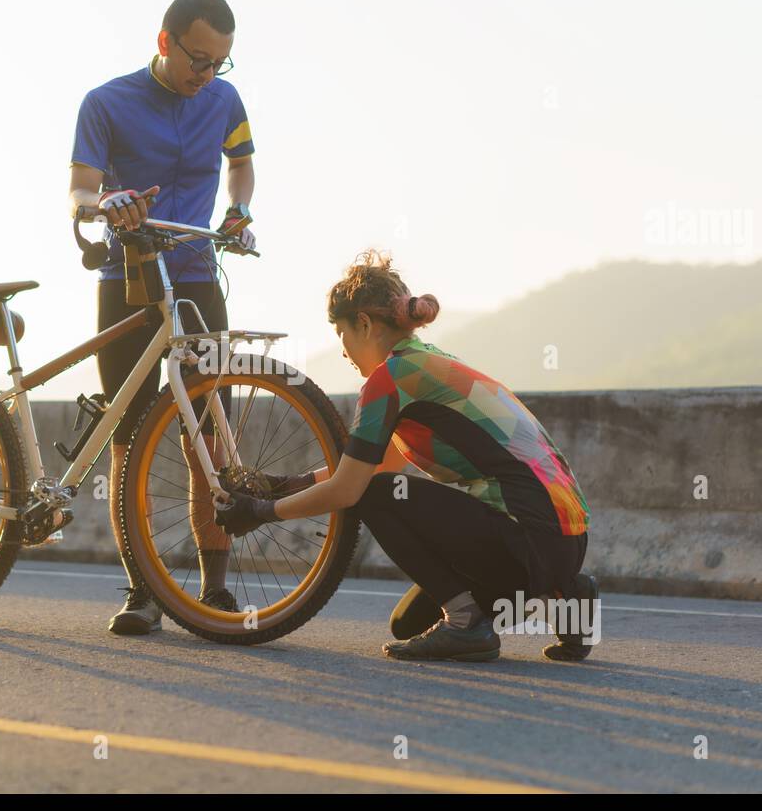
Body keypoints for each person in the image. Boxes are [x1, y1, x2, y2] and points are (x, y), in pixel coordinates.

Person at [215, 250, 598, 662]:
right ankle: (567, 595)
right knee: (408, 623)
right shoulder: (430, 364)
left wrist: (262, 511)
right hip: (565, 541)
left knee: (375, 495)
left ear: (363, 323)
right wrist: (285, 485)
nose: (343, 351)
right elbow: (379, 467)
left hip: (525, 536)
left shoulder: (391, 378)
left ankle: (467, 622)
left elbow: (351, 489)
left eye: (341, 333)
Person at [68, 0, 257, 635]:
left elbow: (242, 166)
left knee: (210, 432)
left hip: (198, 278)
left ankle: (216, 587)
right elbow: (79, 191)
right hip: (129, 280)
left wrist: (239, 210)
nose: (205, 76)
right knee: (129, 438)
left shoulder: (224, 100)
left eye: (219, 64)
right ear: (164, 42)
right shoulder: (106, 102)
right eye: (197, 60)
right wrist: (103, 203)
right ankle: (142, 589)